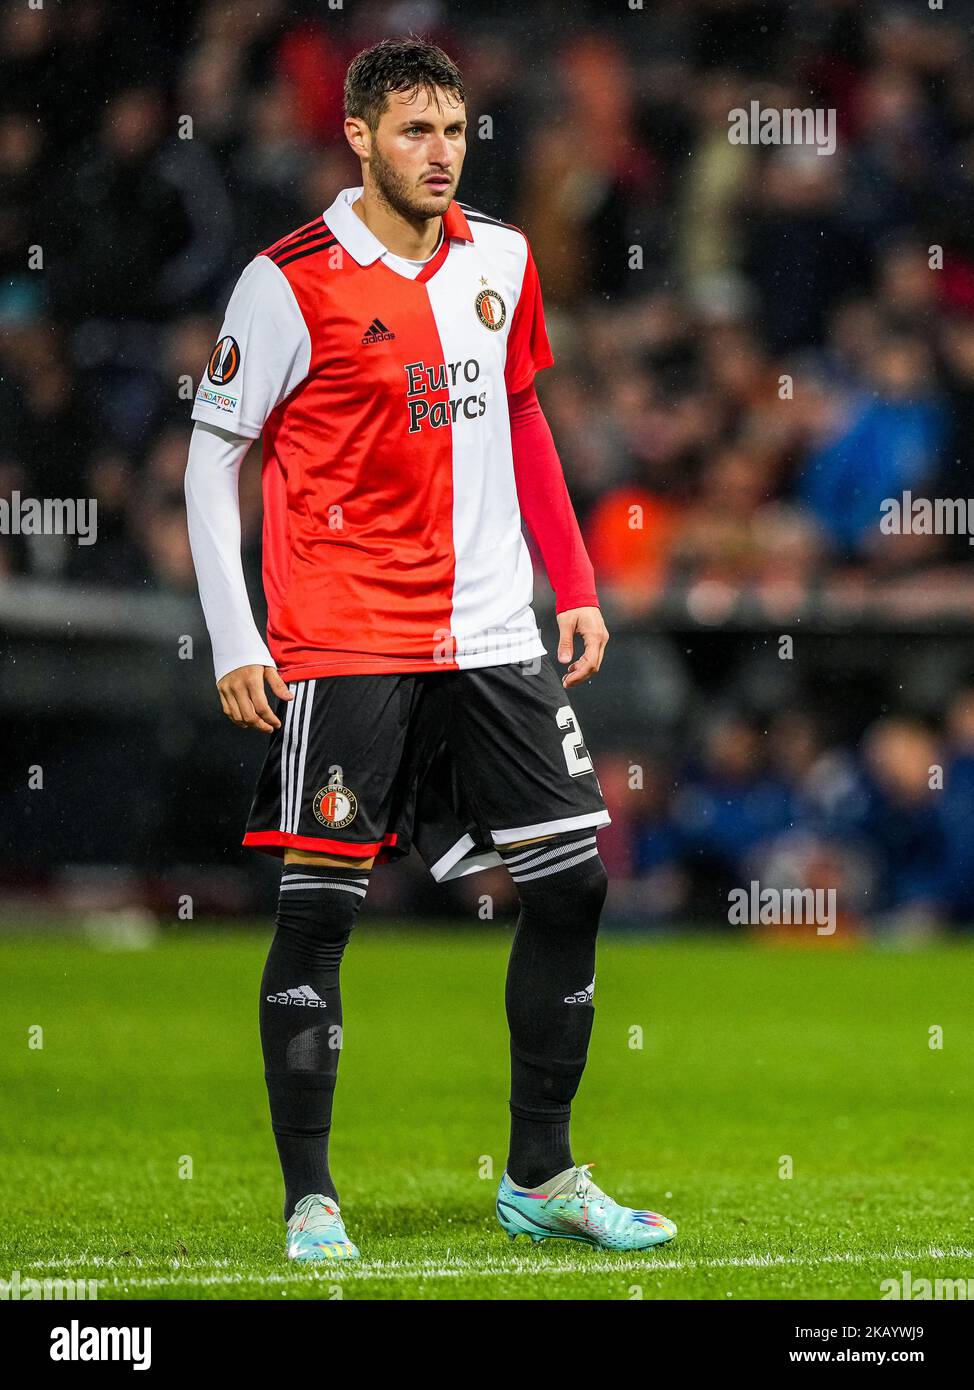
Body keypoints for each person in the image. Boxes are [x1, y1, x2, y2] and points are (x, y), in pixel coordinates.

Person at [184, 37, 676, 1261]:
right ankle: (311, 1198)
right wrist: (236, 635)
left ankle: (542, 1174)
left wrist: (573, 581)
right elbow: (212, 456)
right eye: (413, 131)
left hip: (497, 626)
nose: (440, 153)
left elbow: (517, 415)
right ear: (356, 136)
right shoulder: (286, 279)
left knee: (572, 880)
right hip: (347, 635)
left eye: (453, 130)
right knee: (320, 910)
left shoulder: (501, 258)